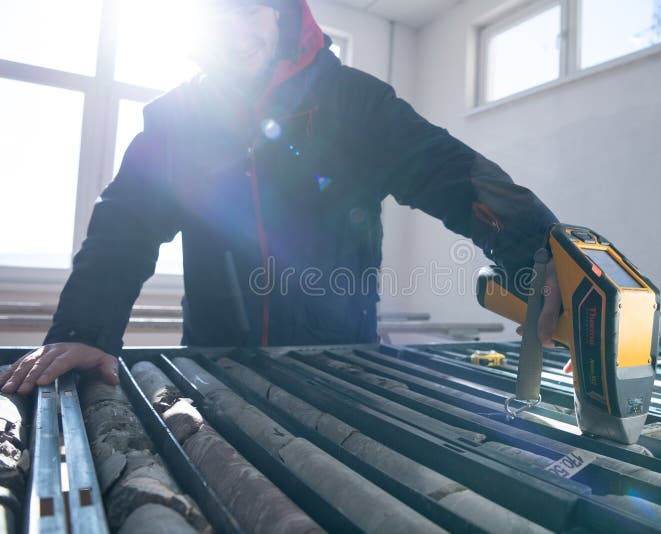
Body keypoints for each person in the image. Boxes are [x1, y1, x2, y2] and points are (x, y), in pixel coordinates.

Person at [0, 0, 561, 396]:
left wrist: (542, 253)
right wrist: (82, 332)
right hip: (214, 366)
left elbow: (452, 174)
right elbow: (123, 229)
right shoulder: (177, 121)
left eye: (249, 10)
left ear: (284, 12)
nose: (234, 32)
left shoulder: (355, 104)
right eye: (215, 16)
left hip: (342, 369)